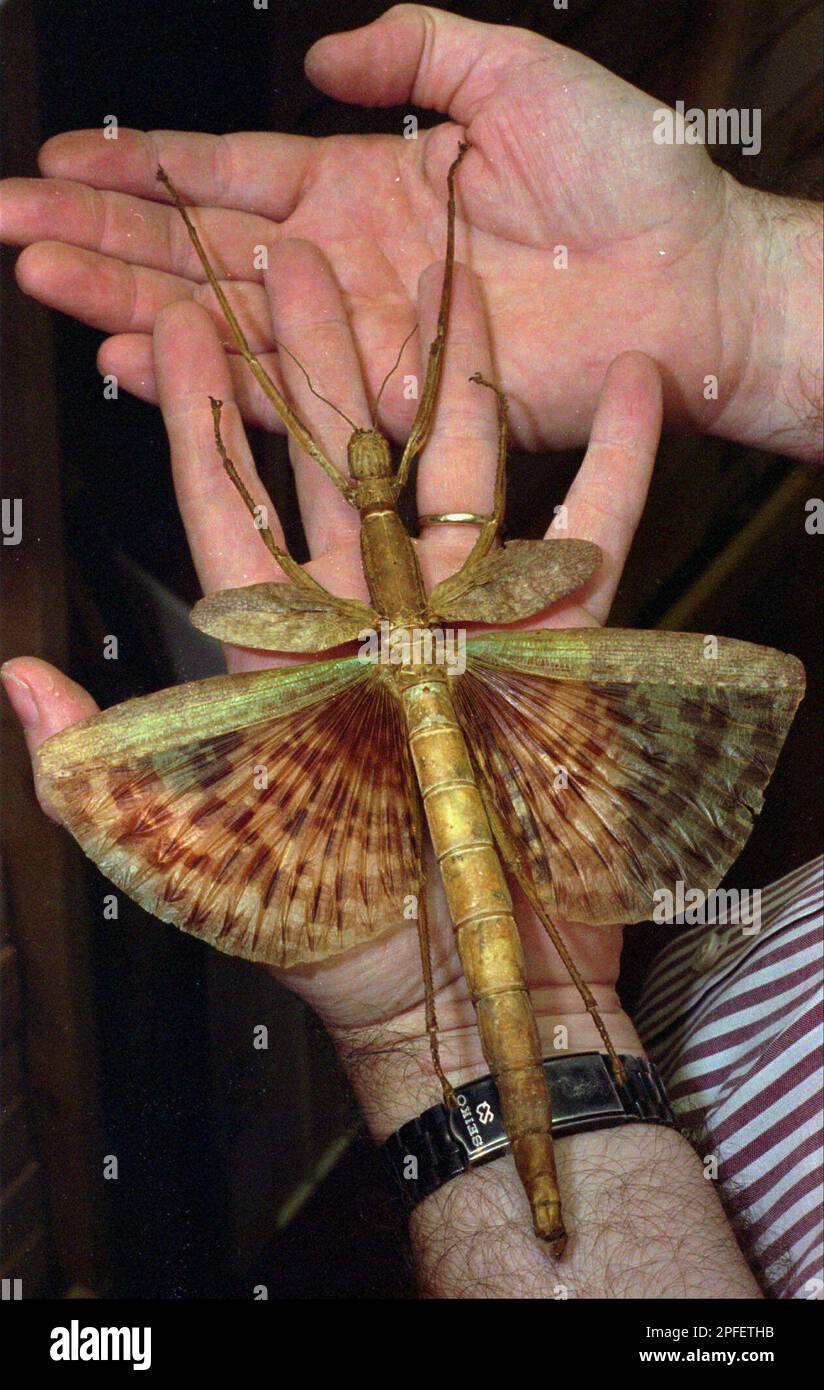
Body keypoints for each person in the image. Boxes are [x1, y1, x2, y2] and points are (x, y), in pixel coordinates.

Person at [1, 6, 820, 1298]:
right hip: (641, 1014)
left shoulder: (346, 587)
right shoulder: (463, 586)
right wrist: (758, 293)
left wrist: (756, 293)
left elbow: (271, 477)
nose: (368, 465)